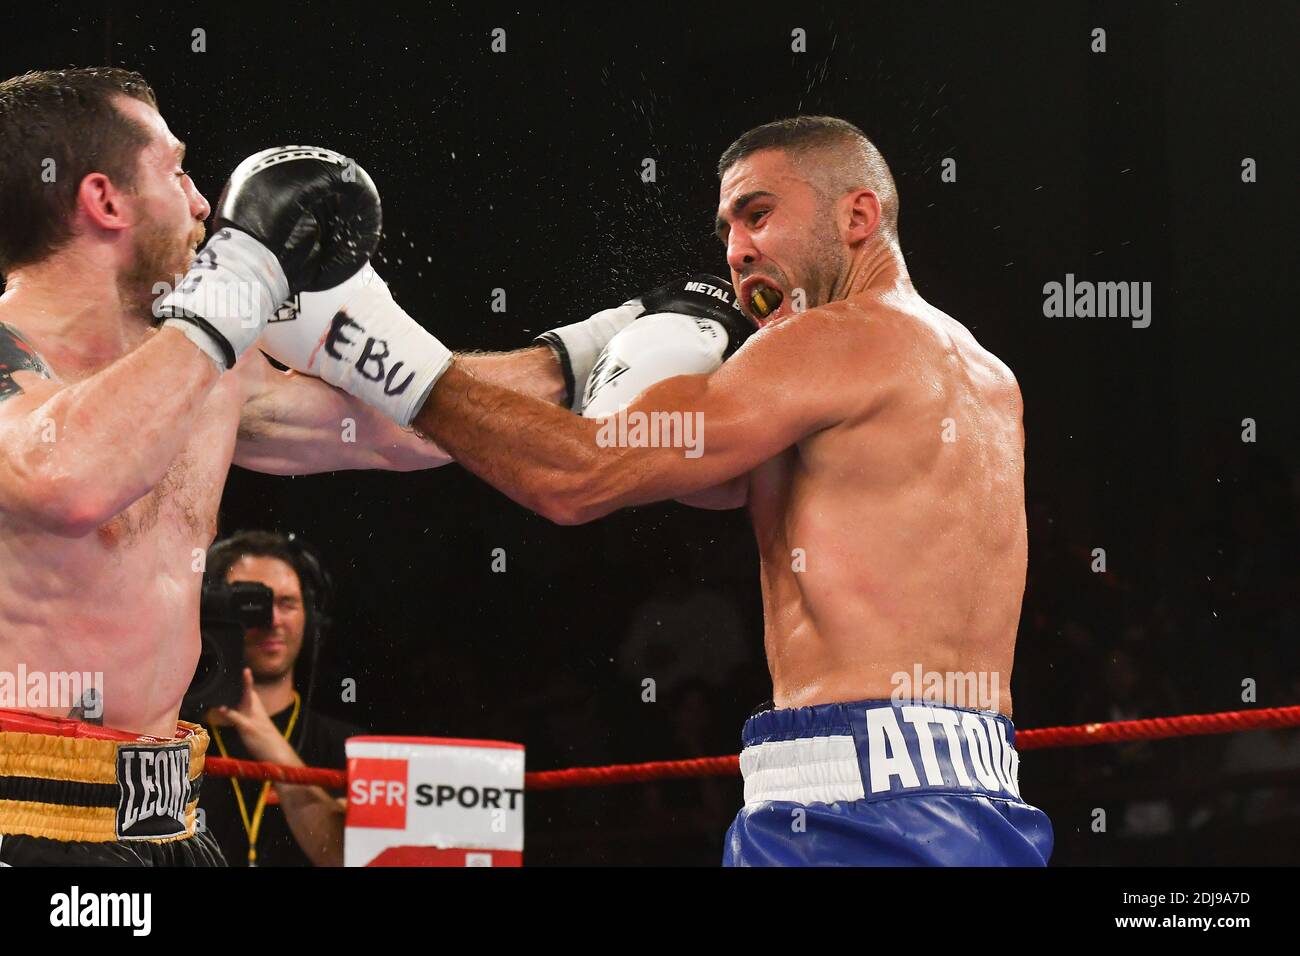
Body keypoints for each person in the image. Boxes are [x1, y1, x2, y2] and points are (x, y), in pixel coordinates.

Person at [393, 116, 1053, 865]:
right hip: (988, 802)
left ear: (858, 216)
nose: (737, 249)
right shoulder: (988, 378)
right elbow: (658, 467)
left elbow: (577, 477)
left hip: (851, 806)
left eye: (759, 213)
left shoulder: (827, 339)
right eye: (727, 229)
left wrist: (383, 350)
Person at [0, 67, 567, 865]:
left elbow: (401, 432)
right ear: (106, 200)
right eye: (177, 170)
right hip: (25, 820)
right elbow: (68, 480)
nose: (204, 204)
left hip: (167, 818)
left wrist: (596, 352)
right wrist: (239, 287)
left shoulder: (207, 368)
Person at [199, 531, 363, 867]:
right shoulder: (174, 743)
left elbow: (348, 859)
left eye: (287, 603)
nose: (272, 621)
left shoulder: (350, 748)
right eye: (252, 604)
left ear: (311, 617)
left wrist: (269, 742)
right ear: (214, 612)